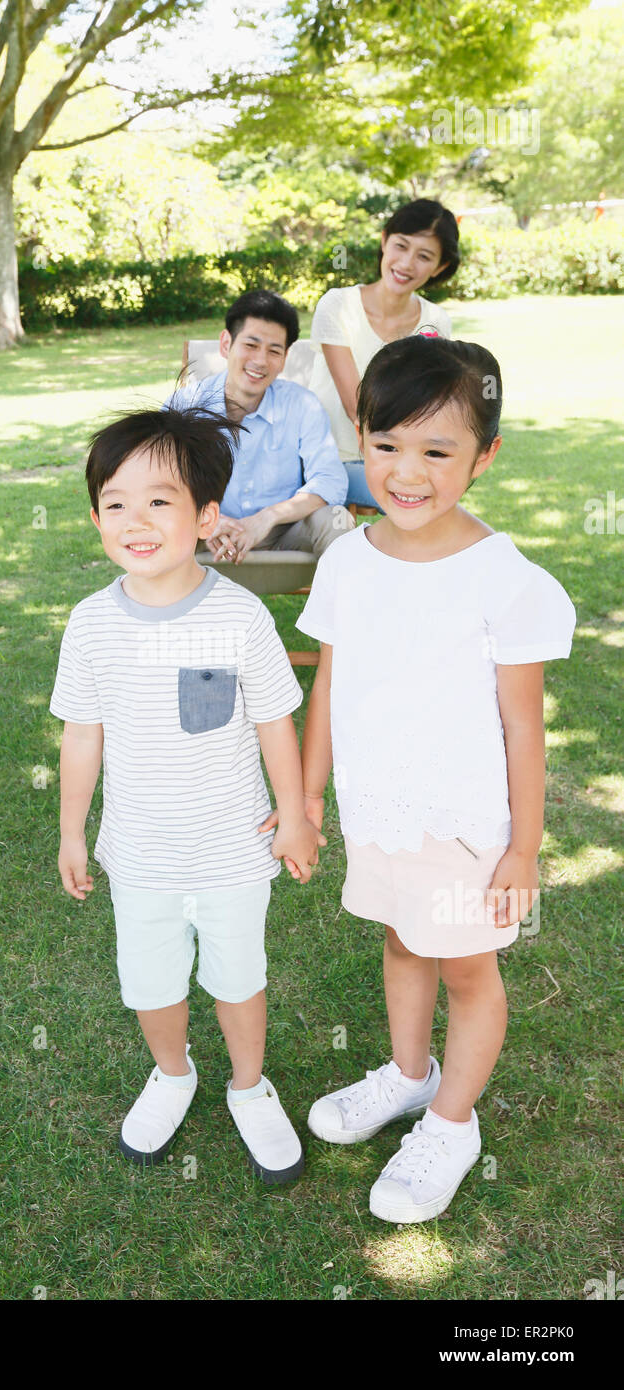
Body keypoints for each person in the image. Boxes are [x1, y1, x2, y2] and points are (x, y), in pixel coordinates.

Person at [293, 336, 576, 1222]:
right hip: (376, 810)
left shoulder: (505, 580)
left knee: (465, 969)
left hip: (459, 827)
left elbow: (524, 727)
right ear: (361, 438)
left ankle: (453, 1124)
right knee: (403, 941)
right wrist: (305, 797)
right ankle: (410, 1077)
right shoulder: (345, 560)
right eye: (385, 445)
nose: (406, 472)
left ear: (484, 457)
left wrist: (523, 849)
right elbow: (330, 683)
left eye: (436, 451)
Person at [49, 406, 325, 1184]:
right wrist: (74, 833)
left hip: (235, 848)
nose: (134, 521)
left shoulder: (239, 616)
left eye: (159, 501)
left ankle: (249, 1084)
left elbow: (277, 722)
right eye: (114, 503)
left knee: (239, 976)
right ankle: (173, 1074)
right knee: (152, 981)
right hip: (139, 853)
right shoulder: (91, 624)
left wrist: (298, 815)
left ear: (206, 517)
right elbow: (82, 734)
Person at [169, 289, 353, 566]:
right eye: (251, 345)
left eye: (274, 351)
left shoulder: (303, 405)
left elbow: (330, 480)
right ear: (225, 343)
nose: (260, 361)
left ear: (285, 357)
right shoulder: (185, 404)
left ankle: (343, 608)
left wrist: (265, 519)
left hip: (283, 531)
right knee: (164, 521)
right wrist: (202, 518)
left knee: (337, 520)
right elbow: (158, 481)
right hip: (204, 533)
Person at [309, 198, 459, 511]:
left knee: (451, 488)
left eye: (424, 256)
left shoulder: (435, 321)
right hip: (328, 462)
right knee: (435, 501)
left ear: (440, 266)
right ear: (384, 240)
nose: (406, 264)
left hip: (396, 465)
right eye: (401, 246)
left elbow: (428, 407)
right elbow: (358, 408)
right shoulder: (337, 305)